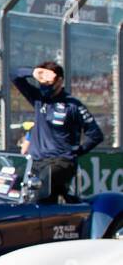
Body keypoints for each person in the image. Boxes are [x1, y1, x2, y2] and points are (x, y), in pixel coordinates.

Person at [10, 61, 103, 202]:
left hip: (60, 161)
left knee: (41, 186)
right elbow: (14, 75)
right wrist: (34, 72)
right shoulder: (38, 99)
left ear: (59, 81)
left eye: (48, 82)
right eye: (41, 82)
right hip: (35, 162)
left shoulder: (73, 105)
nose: (44, 86)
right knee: (8, 186)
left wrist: (75, 152)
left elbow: (95, 135)